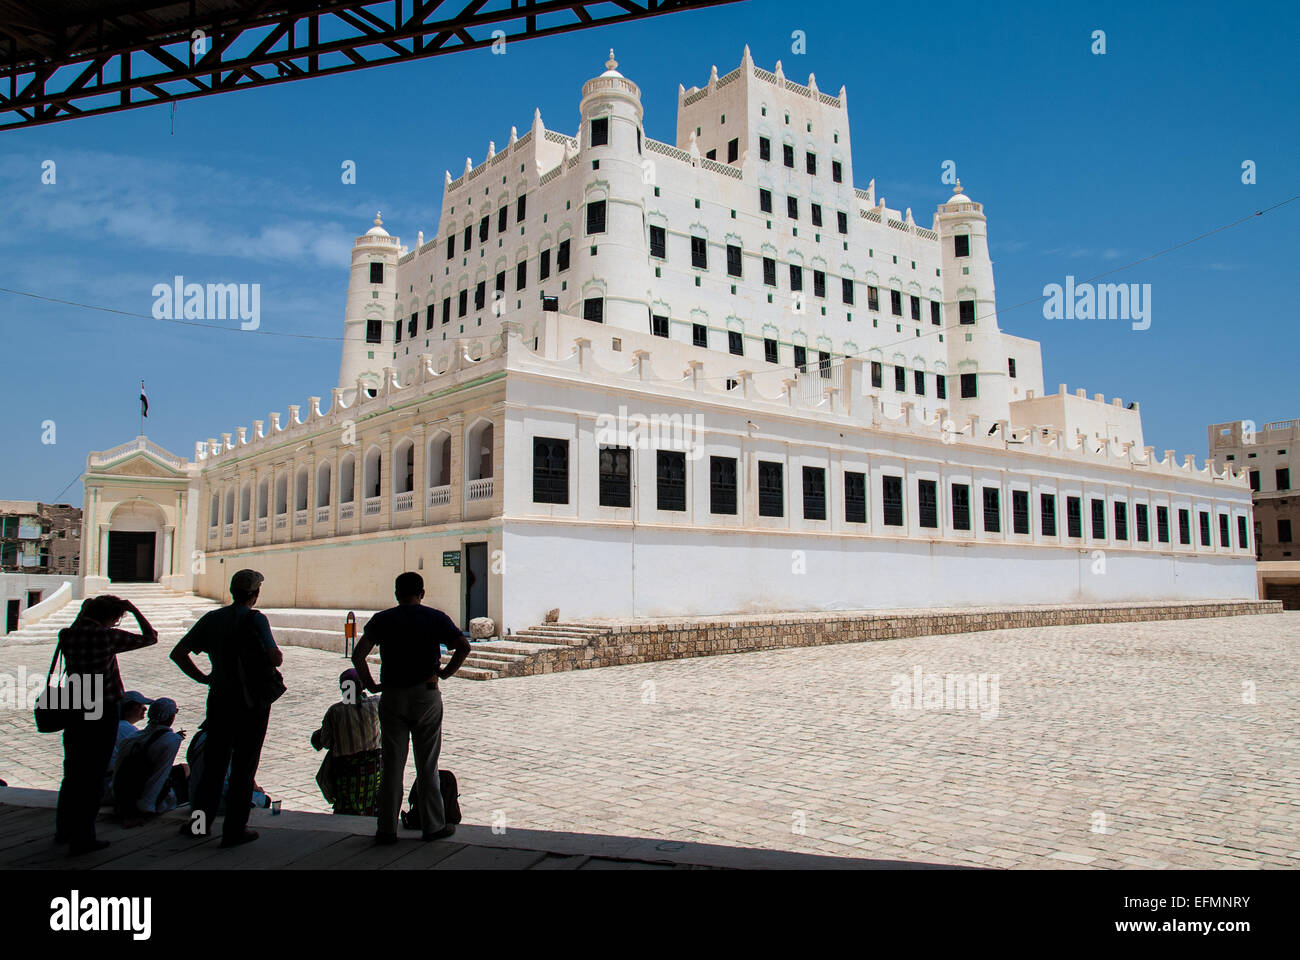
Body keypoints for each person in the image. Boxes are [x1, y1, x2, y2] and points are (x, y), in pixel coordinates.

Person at [352, 572, 470, 844]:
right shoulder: (435, 617)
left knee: (392, 765)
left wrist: (371, 684)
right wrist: (446, 673)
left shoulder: (383, 619)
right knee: (427, 764)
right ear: (422, 593)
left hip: (392, 696)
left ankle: (386, 829)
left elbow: (359, 654)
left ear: (396, 593)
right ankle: (433, 826)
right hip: (426, 695)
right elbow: (463, 646)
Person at [170, 569, 283, 848]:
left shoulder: (213, 619)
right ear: (255, 595)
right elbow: (275, 658)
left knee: (213, 768)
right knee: (244, 767)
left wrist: (204, 677)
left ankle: (199, 826)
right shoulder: (255, 619)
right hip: (252, 703)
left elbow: (179, 653)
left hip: (220, 699)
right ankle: (234, 830)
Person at [54, 595, 157, 855]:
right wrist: (134, 610)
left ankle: (64, 829)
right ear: (111, 616)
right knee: (93, 775)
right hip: (101, 709)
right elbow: (150, 636)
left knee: (74, 771)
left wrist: (88, 611)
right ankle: (83, 837)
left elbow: (80, 624)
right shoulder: (106, 637)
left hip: (76, 706)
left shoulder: (67, 634)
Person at [311, 668, 382, 815]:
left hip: (346, 770)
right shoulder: (376, 704)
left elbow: (325, 742)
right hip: (373, 768)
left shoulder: (335, 711)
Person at [113, 698, 187, 817]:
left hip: (123, 795)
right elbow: (159, 775)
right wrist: (148, 807)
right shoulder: (171, 740)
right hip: (146, 800)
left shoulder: (133, 737)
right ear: (171, 717)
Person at [102, 690, 152, 805]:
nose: (144, 709)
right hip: (112, 787)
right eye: (139, 706)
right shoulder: (126, 729)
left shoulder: (116, 726)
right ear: (127, 709)